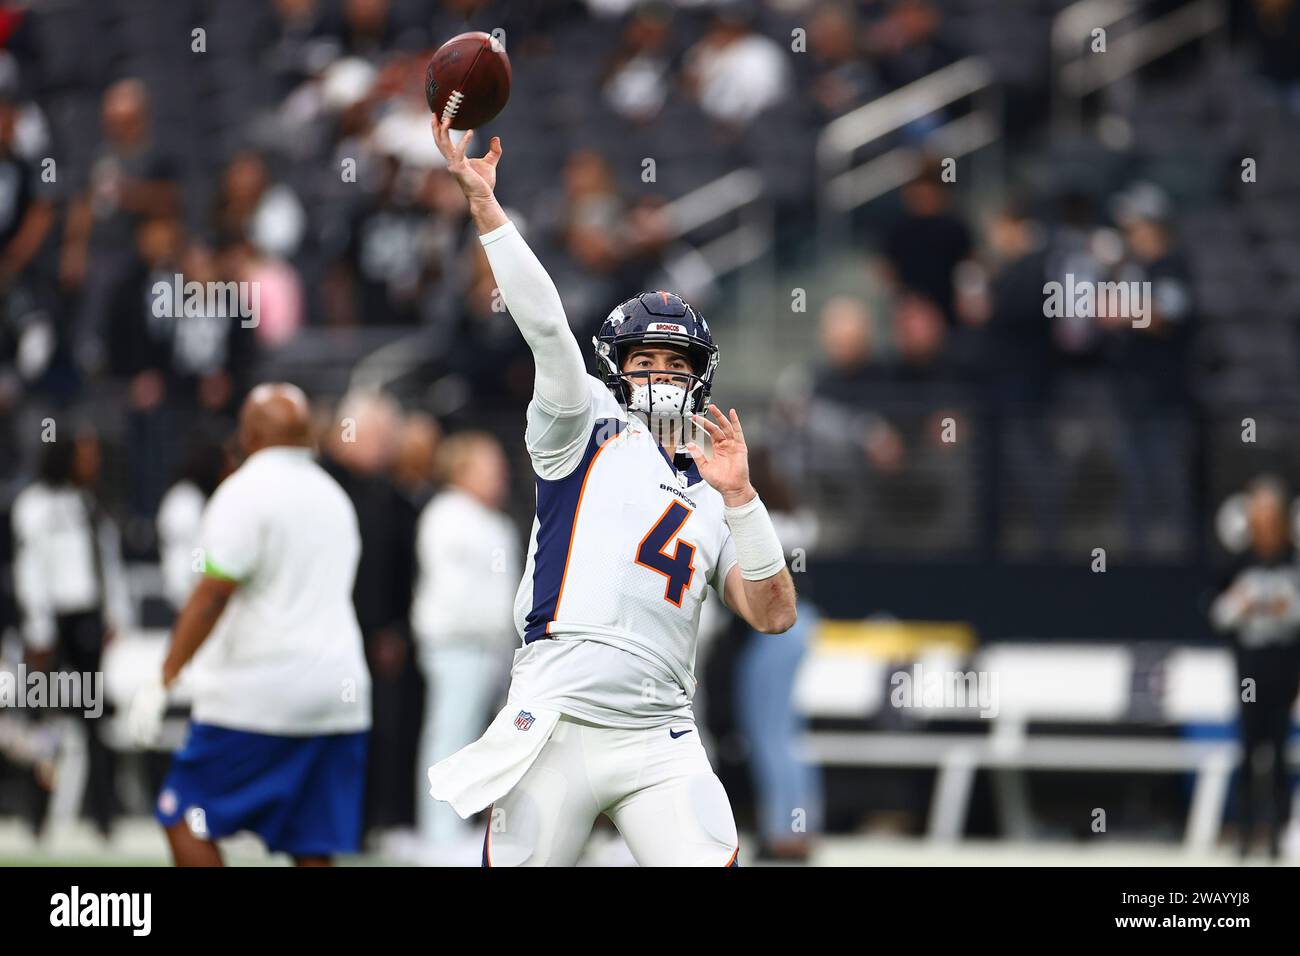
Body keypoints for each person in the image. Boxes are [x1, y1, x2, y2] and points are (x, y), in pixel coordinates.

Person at [425, 115, 797, 867]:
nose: (660, 371)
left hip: (658, 732)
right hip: (557, 713)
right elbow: (548, 327)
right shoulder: (581, 423)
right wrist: (487, 211)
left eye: (674, 358)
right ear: (618, 366)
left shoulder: (713, 486)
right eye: (645, 356)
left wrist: (745, 502)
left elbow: (774, 613)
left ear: (701, 375)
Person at [128, 383, 372, 866]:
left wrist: (164, 677)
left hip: (260, 695)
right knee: (310, 842)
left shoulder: (243, 493)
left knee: (182, 812)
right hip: (338, 694)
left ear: (250, 434)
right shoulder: (335, 497)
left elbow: (211, 595)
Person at [11, 425, 131, 837]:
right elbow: (31, 570)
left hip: (86, 623)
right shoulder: (34, 506)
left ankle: (102, 816)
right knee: (44, 723)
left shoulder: (90, 503)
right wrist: (40, 629)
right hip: (52, 625)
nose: (92, 462)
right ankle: (37, 814)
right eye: (84, 454)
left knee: (93, 719)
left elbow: (108, 564)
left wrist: (115, 613)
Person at [411, 431, 519, 860]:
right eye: (490, 468)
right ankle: (438, 833)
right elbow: (453, 591)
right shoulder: (445, 513)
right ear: (462, 470)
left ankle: (467, 828)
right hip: (457, 645)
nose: (500, 477)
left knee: (483, 743)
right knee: (450, 736)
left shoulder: (493, 520)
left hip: (491, 647)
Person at [1210, 475, 1300, 860]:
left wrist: (1286, 608)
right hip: (1250, 672)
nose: (1264, 527)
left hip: (1283, 670)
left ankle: (1278, 834)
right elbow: (1216, 612)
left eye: (1270, 518)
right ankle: (1244, 833)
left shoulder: (1294, 560)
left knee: (1279, 753)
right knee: (1249, 752)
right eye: (1257, 518)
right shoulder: (1238, 563)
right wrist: (1240, 606)